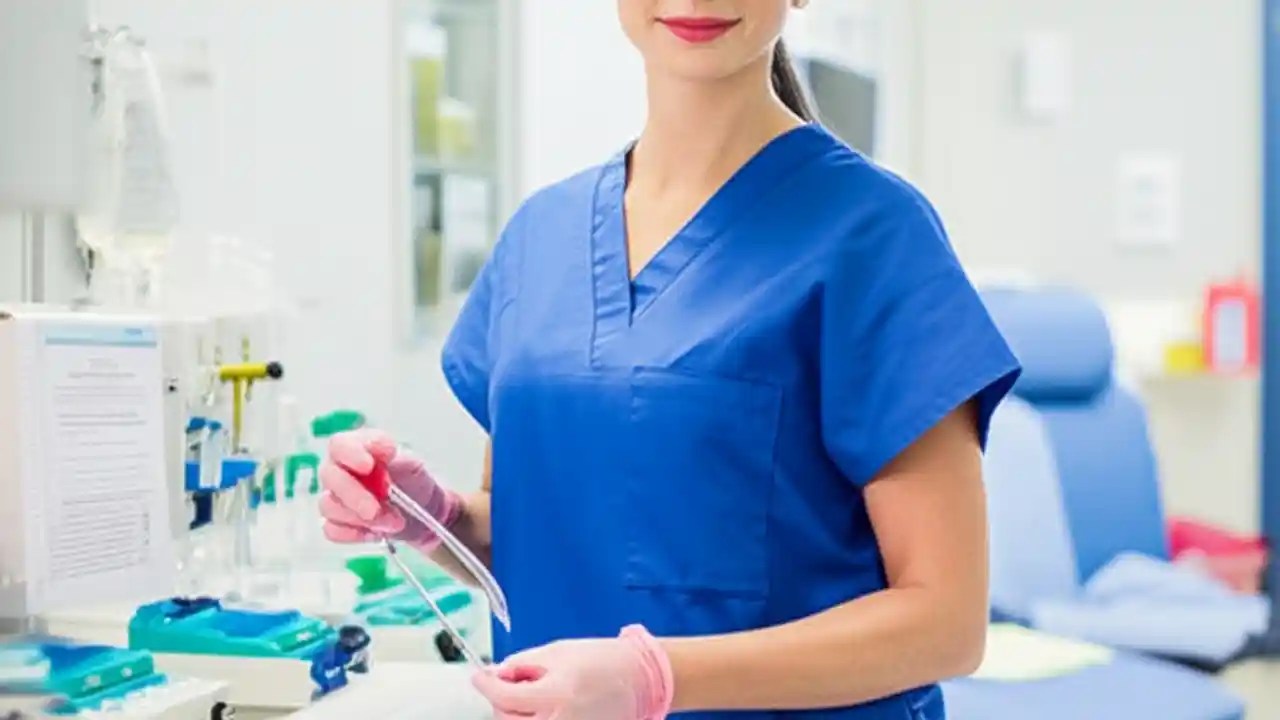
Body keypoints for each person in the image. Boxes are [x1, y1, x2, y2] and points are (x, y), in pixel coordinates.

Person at [319, 1, 1021, 717]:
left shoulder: (873, 236)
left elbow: (945, 624)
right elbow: (551, 539)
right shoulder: (541, 236)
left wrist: (656, 678)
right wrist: (431, 517)